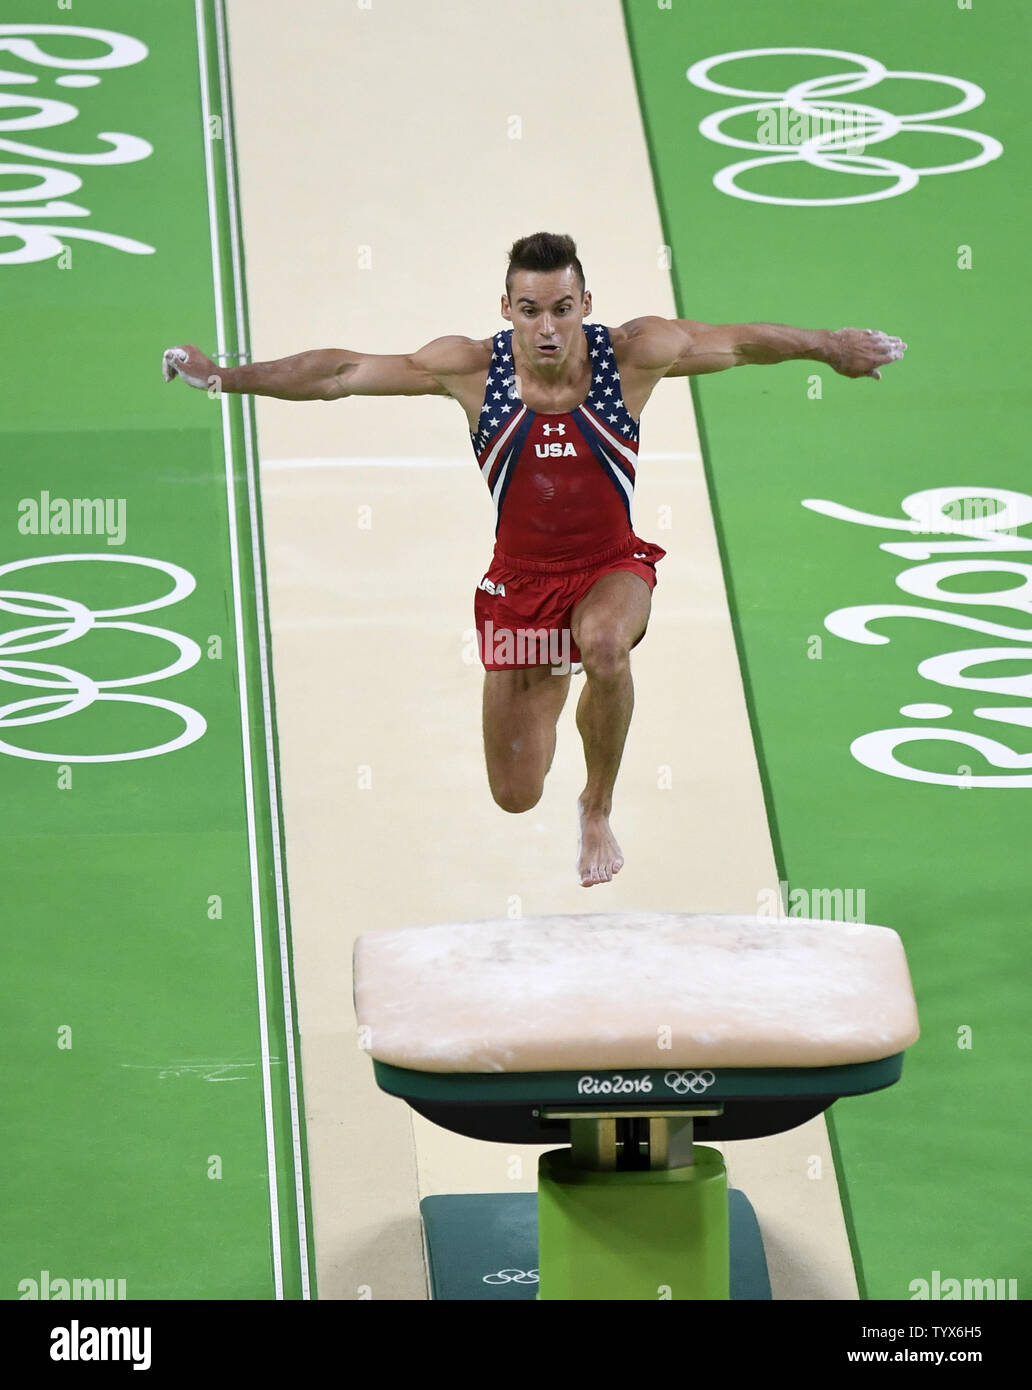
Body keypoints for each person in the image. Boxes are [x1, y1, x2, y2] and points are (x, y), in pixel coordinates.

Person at [162, 231, 905, 887]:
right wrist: (225, 376)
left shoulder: (636, 353)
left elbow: (739, 342)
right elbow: (339, 374)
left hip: (612, 567)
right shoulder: (469, 369)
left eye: (561, 309)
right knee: (514, 793)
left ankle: (596, 807)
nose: (547, 327)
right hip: (521, 590)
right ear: (505, 308)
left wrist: (830, 346)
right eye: (529, 310)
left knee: (607, 645)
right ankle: (553, 686)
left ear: (586, 303)